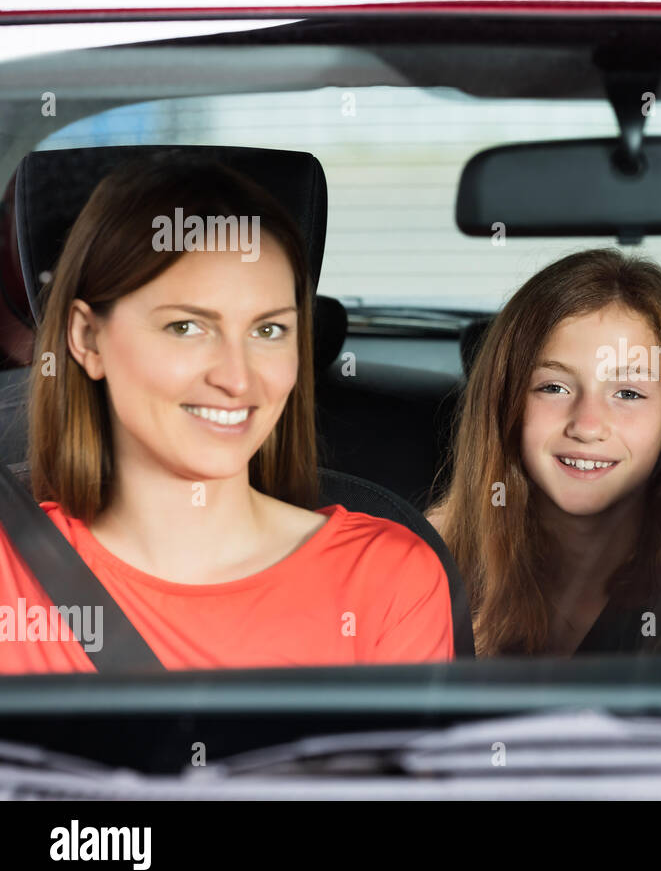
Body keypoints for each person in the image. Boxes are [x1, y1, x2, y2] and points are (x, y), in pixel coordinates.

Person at [0, 154, 454, 673]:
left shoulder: (385, 578)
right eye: (187, 327)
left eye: (268, 330)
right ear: (87, 339)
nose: (237, 379)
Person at [428, 248, 661, 656]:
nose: (587, 425)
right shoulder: (426, 562)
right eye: (553, 387)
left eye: (628, 393)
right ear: (506, 403)